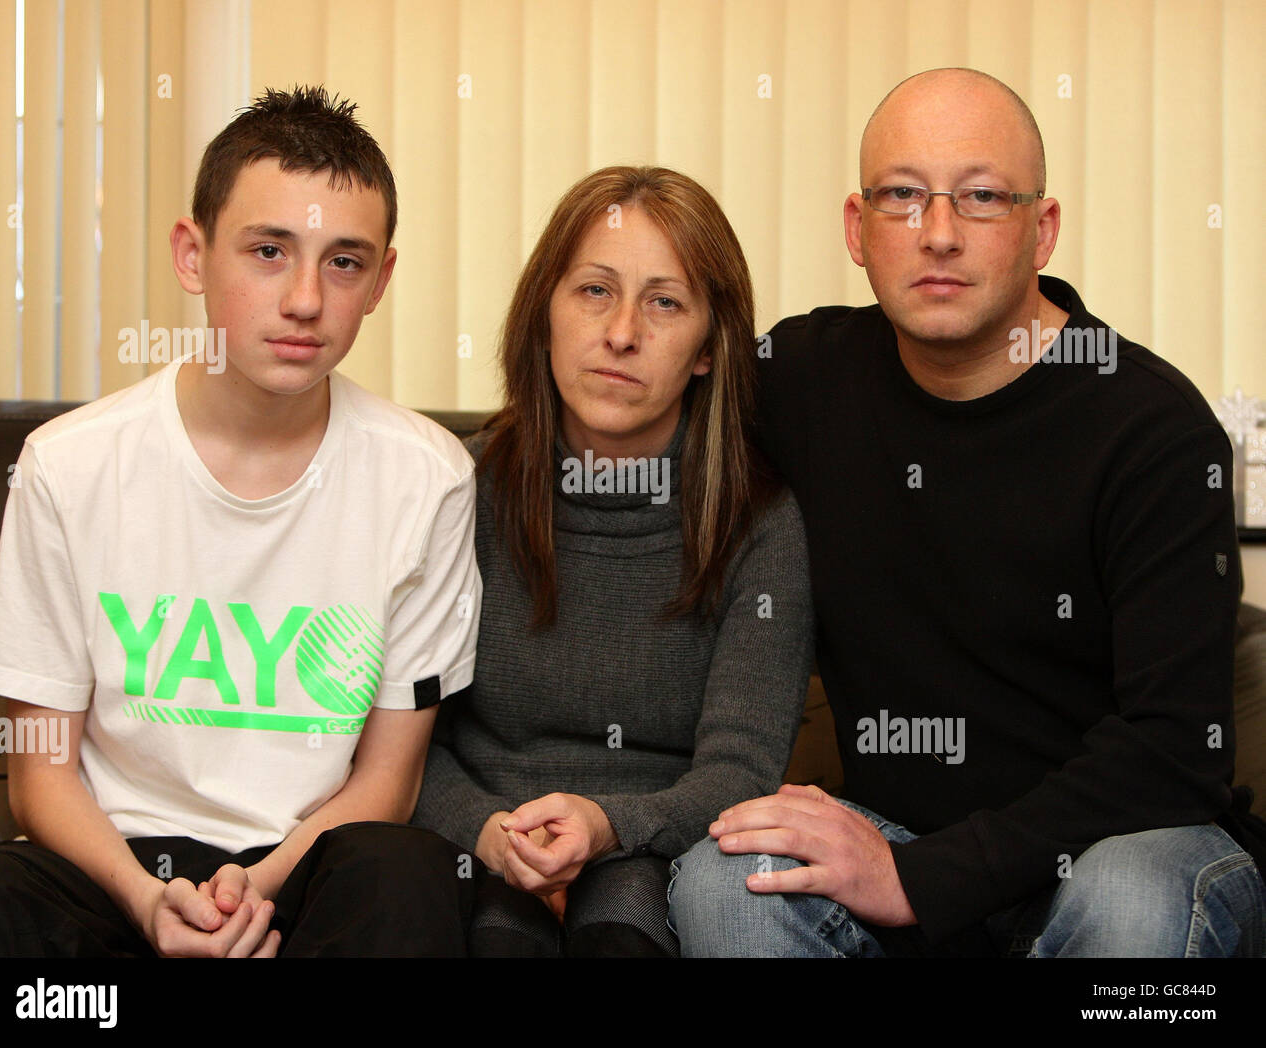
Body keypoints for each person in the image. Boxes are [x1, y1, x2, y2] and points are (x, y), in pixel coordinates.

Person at [668, 67, 1266, 957]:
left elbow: (1175, 754)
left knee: (1131, 897)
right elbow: (632, 406)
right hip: (899, 834)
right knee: (731, 880)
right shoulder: (799, 376)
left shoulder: (1152, 430)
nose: (938, 233)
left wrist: (923, 880)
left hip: (1125, 847)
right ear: (857, 229)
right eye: (903, 196)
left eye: (982, 197)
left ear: (1044, 228)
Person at [0, 86, 481, 957]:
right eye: (269, 251)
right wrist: (144, 900)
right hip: (115, 873)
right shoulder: (68, 464)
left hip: (303, 873)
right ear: (192, 254)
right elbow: (39, 775)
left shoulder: (427, 477)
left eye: (344, 262)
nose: (306, 299)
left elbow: (388, 783)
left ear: (382, 279)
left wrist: (255, 890)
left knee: (406, 873)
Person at [411, 166, 814, 956]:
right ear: (546, 313)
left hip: (661, 848)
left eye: (665, 302)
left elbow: (741, 774)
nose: (622, 332)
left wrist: (606, 828)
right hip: (483, 840)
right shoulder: (458, 490)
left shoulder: (760, 522)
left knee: (621, 917)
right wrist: (488, 835)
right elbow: (405, 745)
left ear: (707, 349)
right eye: (595, 290)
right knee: (499, 931)